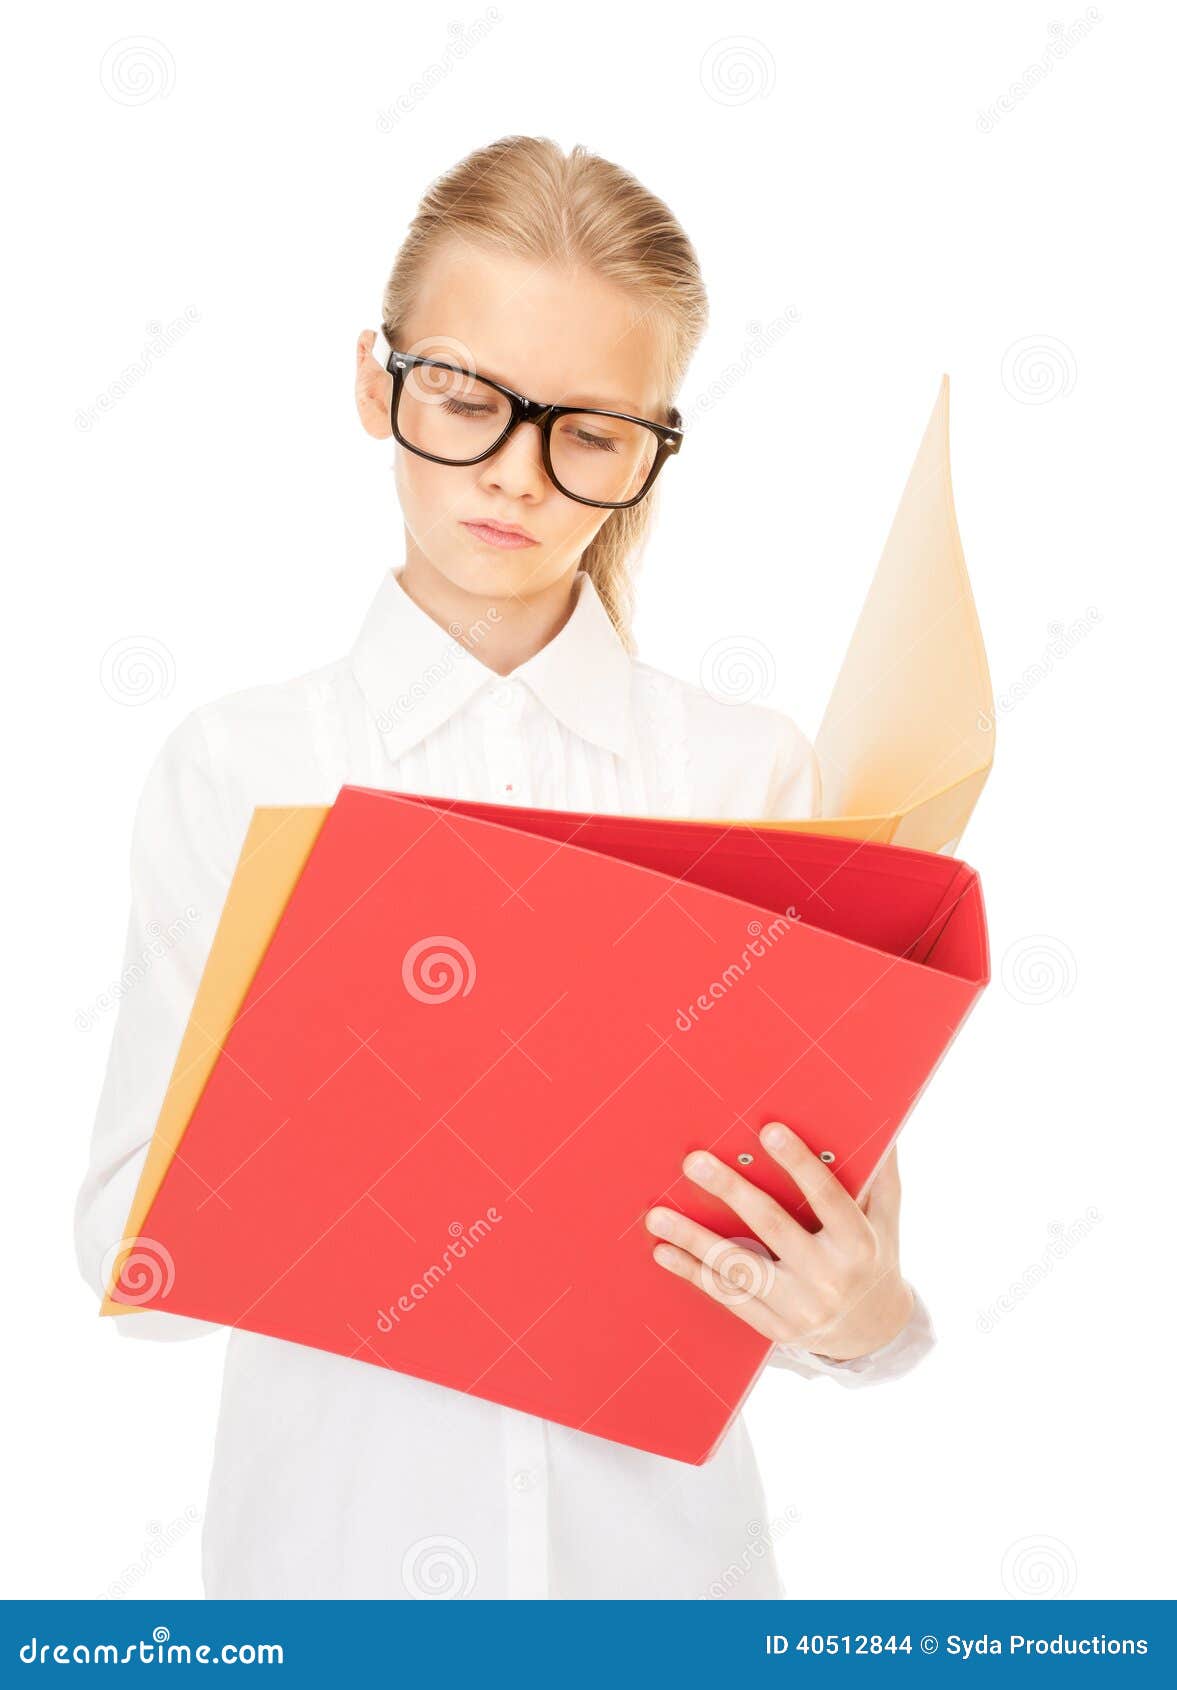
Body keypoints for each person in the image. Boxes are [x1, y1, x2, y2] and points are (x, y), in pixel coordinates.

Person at [74, 134, 933, 1601]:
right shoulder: (241, 768)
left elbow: (827, 1285)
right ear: (377, 385)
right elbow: (127, 1263)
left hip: (666, 1601)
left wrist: (865, 1320)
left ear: (654, 446)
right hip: (329, 1591)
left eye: (589, 433)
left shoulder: (748, 780)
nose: (517, 478)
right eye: (467, 401)